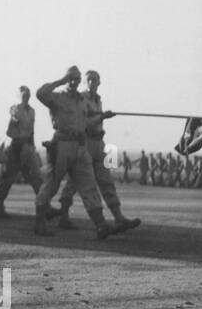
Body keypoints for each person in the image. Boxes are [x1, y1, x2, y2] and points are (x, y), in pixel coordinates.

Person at [54, 70, 141, 234]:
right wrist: (102, 117)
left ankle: (119, 217)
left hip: (99, 143)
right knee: (75, 182)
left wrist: (102, 117)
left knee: (106, 180)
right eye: (89, 80)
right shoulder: (81, 99)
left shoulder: (98, 100)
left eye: (95, 80)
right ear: (85, 83)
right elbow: (84, 123)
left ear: (100, 82)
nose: (92, 83)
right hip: (85, 142)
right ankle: (63, 217)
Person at [33, 66, 113, 239]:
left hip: (80, 145)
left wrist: (101, 117)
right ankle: (39, 223)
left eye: (77, 78)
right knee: (51, 185)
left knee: (88, 185)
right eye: (72, 78)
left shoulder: (81, 101)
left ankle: (100, 225)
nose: (74, 81)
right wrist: (61, 80)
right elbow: (39, 93)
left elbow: (86, 123)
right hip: (61, 144)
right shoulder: (57, 97)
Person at [0, 85, 44, 212]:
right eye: (23, 94)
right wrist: (14, 123)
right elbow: (9, 131)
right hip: (17, 147)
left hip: (28, 146)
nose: (26, 96)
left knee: (36, 176)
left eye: (28, 94)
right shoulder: (15, 109)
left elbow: (32, 130)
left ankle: (44, 206)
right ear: (19, 96)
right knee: (9, 177)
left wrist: (32, 146)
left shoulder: (32, 111)